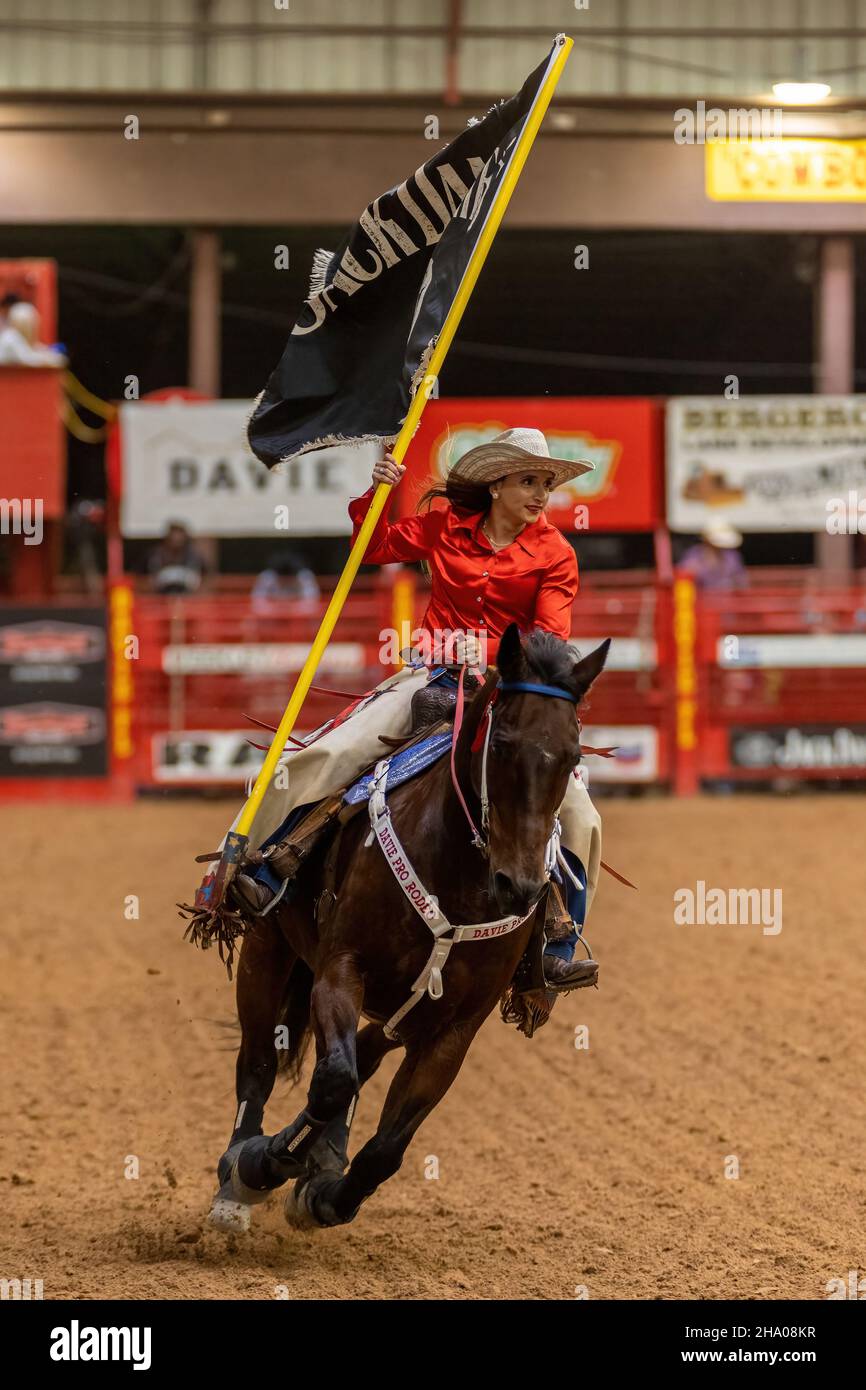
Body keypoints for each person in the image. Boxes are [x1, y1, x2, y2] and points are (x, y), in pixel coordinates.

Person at [228, 427, 604, 994]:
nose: (540, 494)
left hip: (509, 696)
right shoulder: (444, 527)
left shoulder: (555, 553)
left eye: (546, 484)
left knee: (582, 818)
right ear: (497, 483)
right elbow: (373, 549)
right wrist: (374, 498)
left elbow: (551, 640)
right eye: (529, 481)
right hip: (429, 677)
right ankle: (259, 867)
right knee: (331, 752)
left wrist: (502, 652)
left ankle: (557, 940)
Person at [678, 520, 748, 591]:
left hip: (728, 599)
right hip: (701, 600)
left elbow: (741, 583)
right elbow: (683, 581)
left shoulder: (732, 557)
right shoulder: (693, 556)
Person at [147, 522, 209, 595]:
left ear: (185, 536)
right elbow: (144, 579)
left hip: (189, 598)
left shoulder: (194, 555)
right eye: (173, 534)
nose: (176, 537)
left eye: (179, 534)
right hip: (161, 598)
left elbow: (206, 578)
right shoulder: (157, 554)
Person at [0, 300, 66, 366]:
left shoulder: (17, 337)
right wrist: (51, 359)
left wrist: (49, 353)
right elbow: (29, 359)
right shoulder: (10, 337)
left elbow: (35, 349)